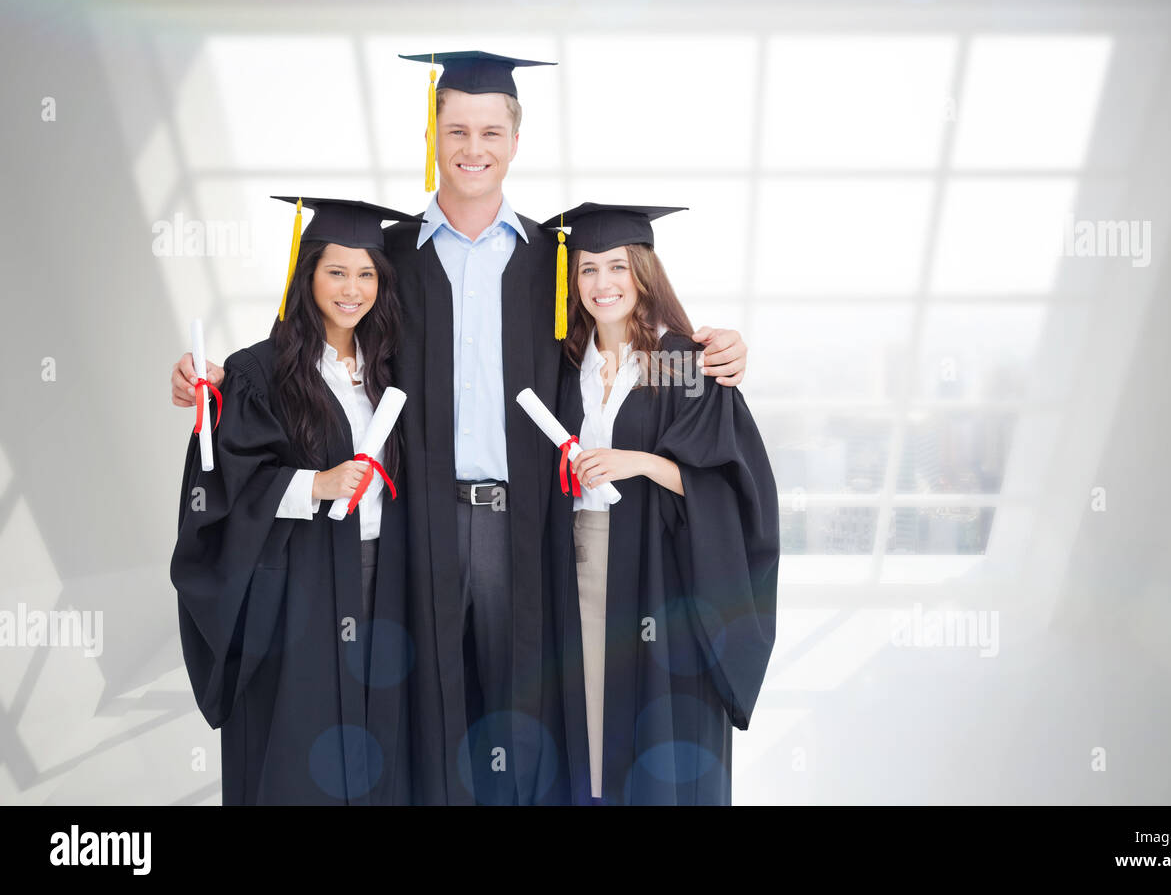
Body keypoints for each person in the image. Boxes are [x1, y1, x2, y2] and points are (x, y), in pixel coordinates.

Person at [170, 50, 754, 804]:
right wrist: (212, 380)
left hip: (535, 529)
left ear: (516, 140)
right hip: (419, 526)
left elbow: (628, 347)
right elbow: (313, 355)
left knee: (530, 711)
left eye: (490, 130)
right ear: (432, 135)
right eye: (455, 129)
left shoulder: (561, 260)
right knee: (424, 715)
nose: (472, 148)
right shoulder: (390, 260)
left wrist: (720, 357)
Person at [170, 197, 413, 804]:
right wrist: (317, 483)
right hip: (298, 582)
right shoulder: (259, 370)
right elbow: (227, 482)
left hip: (386, 574)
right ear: (307, 277)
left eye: (366, 274)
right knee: (299, 735)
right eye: (336, 271)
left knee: (378, 732)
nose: (352, 289)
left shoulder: (394, 366)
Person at [542, 203, 780, 805]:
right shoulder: (562, 364)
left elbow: (731, 485)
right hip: (575, 564)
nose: (603, 284)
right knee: (590, 715)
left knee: (660, 714)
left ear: (643, 272)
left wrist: (640, 462)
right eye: (588, 269)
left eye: (617, 266)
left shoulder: (685, 362)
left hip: (661, 569)